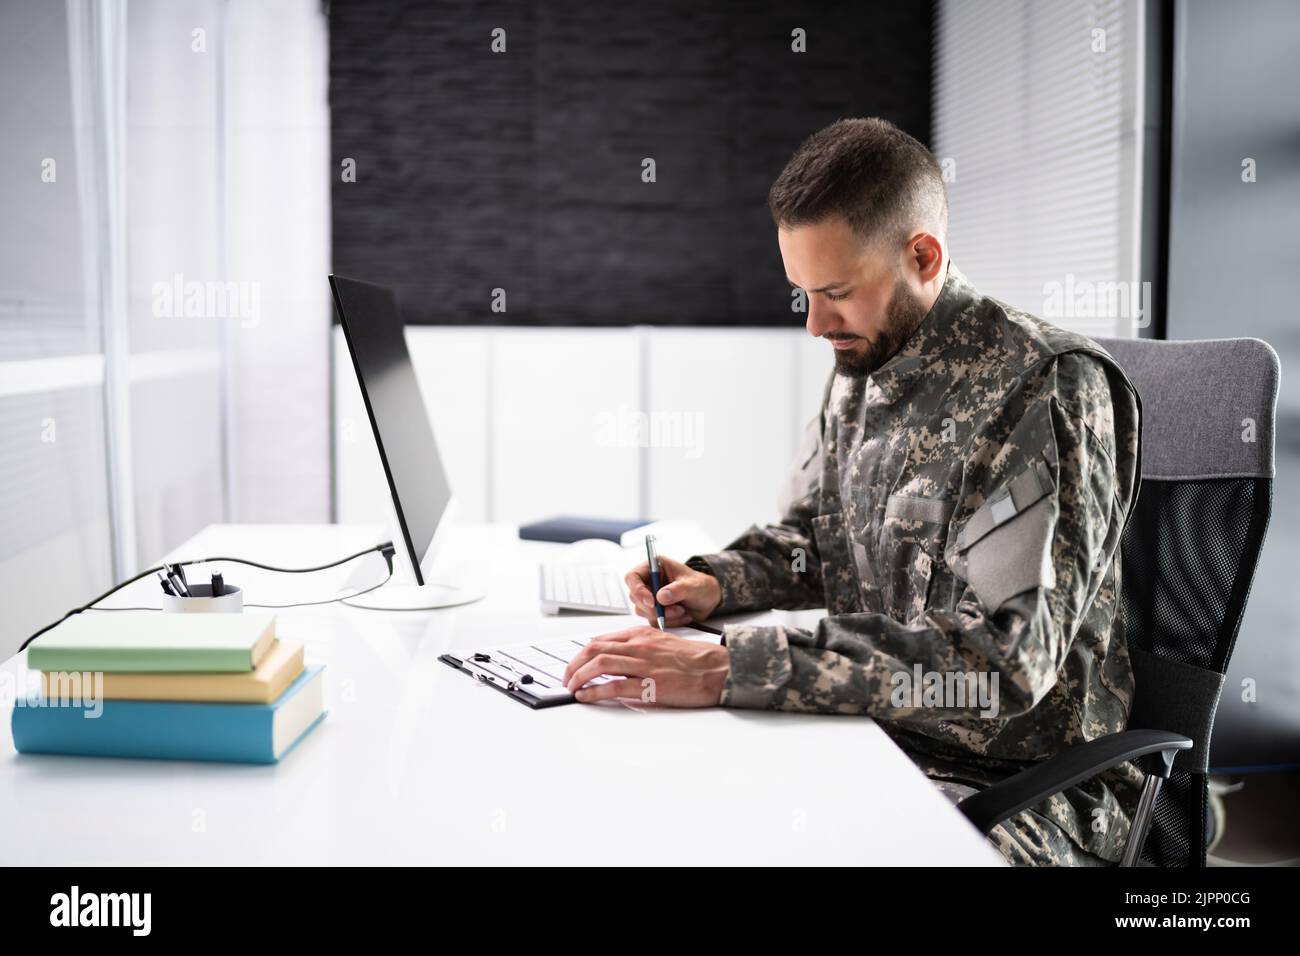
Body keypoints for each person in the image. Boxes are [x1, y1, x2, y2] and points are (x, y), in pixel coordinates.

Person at [561, 117, 1143, 867]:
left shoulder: (1041, 389)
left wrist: (739, 665)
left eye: (834, 292)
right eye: (802, 293)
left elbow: (1002, 668)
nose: (814, 324)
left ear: (922, 256)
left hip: (1023, 785)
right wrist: (714, 580)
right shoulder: (864, 365)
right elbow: (818, 542)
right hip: (876, 735)